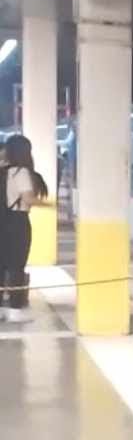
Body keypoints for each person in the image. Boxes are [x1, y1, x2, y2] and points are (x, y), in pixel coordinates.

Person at [0, 135, 51, 323]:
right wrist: (50, 205)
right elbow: (28, 199)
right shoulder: (20, 172)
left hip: (2, 222)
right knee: (16, 265)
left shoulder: (3, 172)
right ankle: (14, 310)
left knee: (2, 264)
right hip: (17, 222)